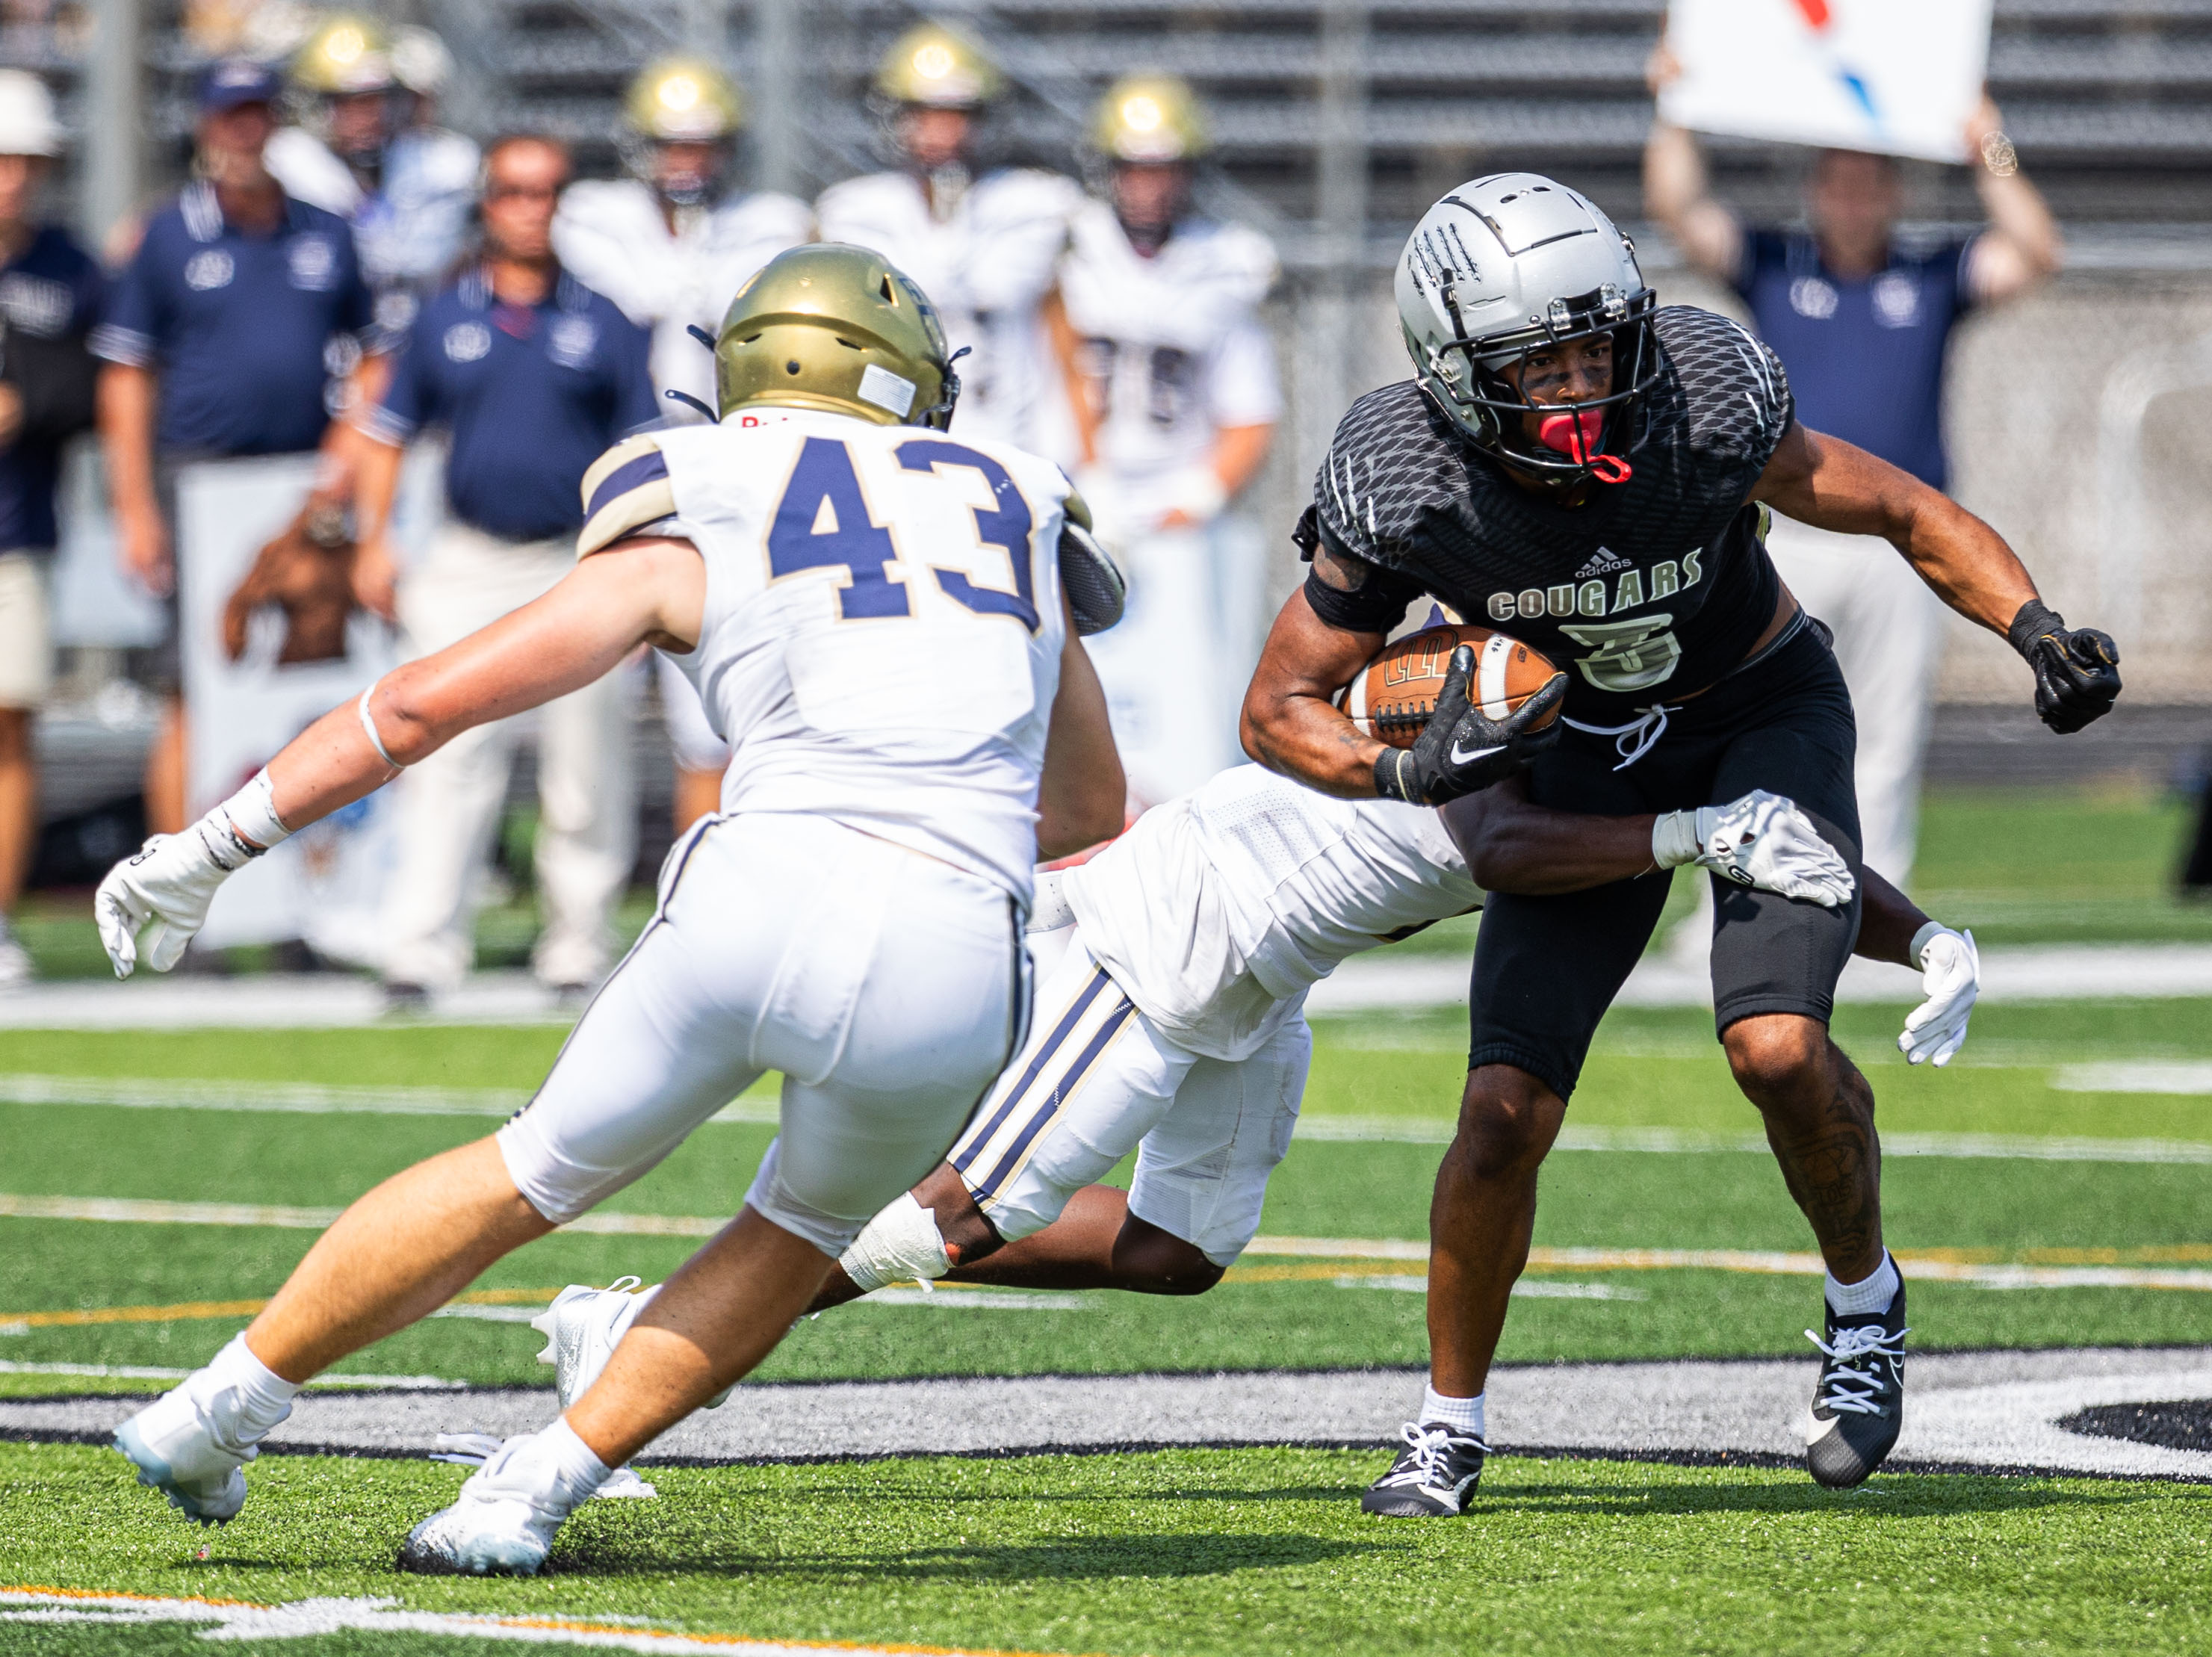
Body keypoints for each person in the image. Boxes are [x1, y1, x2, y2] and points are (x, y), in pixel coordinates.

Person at [94, 244, 1126, 1572]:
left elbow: (420, 704)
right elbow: (1093, 809)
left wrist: (208, 846)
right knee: (797, 1229)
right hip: (953, 932)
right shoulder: (1020, 498)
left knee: (534, 1169)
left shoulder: (706, 492)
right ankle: (525, 1494)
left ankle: (217, 1404)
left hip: (763, 881)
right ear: (910, 383)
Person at [1237, 173, 2119, 1508]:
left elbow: (1902, 509)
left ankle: (1865, 1307)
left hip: (1756, 708)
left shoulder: (1696, 401)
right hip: (1575, 749)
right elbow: (1274, 709)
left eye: (1597, 343)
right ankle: (1448, 1424)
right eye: (1541, 362)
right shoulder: (1405, 474)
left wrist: (2035, 625)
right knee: (1499, 1112)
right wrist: (1397, 765)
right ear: (1456, 374)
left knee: (1774, 1046)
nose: (1583, 381)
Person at [521, 761, 1982, 1437]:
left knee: (1179, 1253)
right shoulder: (1509, 684)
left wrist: (1917, 933)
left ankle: (671, 1312)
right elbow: (1504, 830)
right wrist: (1676, 823)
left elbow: (1771, 844)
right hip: (1162, 939)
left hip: (1255, 976)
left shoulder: (1647, 725)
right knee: (953, 1215)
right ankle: (645, 1332)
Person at [1644, 75, 2063, 887]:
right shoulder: (1772, 263)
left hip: (1897, 541)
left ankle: (1874, 906)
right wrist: (1676, 105)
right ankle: (1731, 906)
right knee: (1748, 723)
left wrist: (1991, 150)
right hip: (1783, 535)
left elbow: (2038, 251)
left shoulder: (1933, 275)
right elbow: (1678, 209)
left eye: (1871, 181)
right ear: (1814, 190)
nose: (1853, 197)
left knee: (1886, 733)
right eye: (1837, 180)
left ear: (1894, 194)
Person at [350, 134, 655, 1006]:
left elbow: (640, 456)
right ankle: (420, 946)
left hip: (577, 560)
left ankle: (576, 944)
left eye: (547, 192)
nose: (532, 208)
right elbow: (387, 432)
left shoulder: (605, 318)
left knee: (585, 763)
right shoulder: (445, 317)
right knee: (446, 753)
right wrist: (375, 539)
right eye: (516, 192)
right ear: (488, 205)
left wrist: (635, 569)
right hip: (468, 556)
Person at [92, 57, 381, 839]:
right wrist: (133, 507)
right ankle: (178, 891)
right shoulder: (167, 233)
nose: (244, 131)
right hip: (199, 481)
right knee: (194, 685)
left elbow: (378, 353)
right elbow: (126, 376)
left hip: (301, 487)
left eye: (257, 113)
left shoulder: (327, 229)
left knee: (304, 690)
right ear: (205, 125)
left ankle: (296, 902)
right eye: (230, 115)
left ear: (278, 122)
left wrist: (345, 452)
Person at [553, 55, 811, 834]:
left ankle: (726, 882)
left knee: (717, 719)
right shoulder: (595, 218)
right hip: (614, 471)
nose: (686, 165)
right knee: (587, 695)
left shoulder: (772, 224)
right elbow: (639, 297)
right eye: (672, 147)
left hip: (731, 479)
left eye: (700, 147)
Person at [1056, 75, 1280, 808]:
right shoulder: (1069, 251)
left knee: (1187, 726)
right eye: (1134, 168)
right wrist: (1089, 471)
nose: (1148, 188)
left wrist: (1197, 494)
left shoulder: (1224, 260)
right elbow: (1053, 355)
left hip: (1180, 514)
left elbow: (1251, 414)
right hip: (1083, 496)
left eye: (1163, 168)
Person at [816, 20, 1080, 456]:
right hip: (890, 445)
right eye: (926, 116)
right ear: (898, 119)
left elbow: (1068, 337)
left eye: (959, 116)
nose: (944, 133)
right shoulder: (852, 213)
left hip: (1009, 446)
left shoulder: (1035, 205)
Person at [0, 71, 102, 990]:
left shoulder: (64, 267)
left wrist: (25, 405)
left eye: (26, 162)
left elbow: (93, 390)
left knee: (7, 729)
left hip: (16, 529)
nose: (14, 178)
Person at [267, 14, 481, 338]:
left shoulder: (438, 162)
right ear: (312, 104)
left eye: (378, 102)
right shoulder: (287, 167)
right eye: (350, 104)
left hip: (420, 338)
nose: (370, 118)